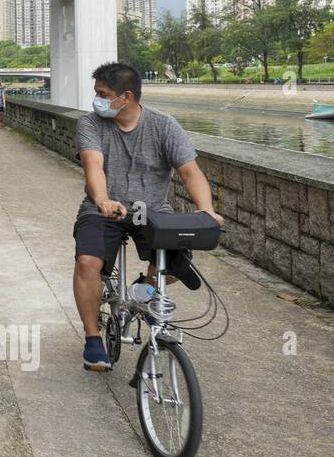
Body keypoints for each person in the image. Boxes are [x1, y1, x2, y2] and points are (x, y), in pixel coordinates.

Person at [72, 62, 223, 372]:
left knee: (177, 264)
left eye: (103, 94)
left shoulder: (164, 125)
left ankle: (145, 287)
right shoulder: (91, 124)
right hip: (104, 210)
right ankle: (92, 338)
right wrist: (102, 199)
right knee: (88, 262)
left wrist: (205, 209)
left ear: (126, 97)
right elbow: (93, 165)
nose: (97, 99)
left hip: (151, 210)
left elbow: (189, 171)